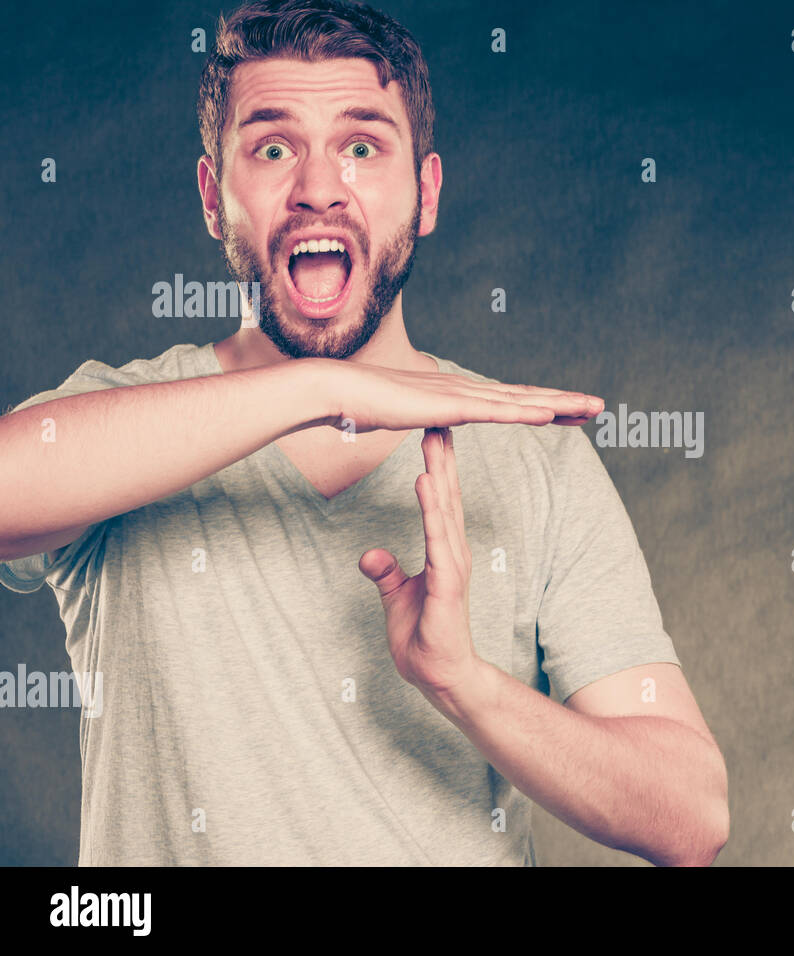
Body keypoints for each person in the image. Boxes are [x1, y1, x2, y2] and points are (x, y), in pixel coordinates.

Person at [0, 0, 727, 866]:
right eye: (272, 147)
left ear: (425, 194)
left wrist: (468, 687)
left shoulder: (537, 457)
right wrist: (318, 387)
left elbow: (690, 815)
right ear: (211, 197)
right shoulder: (124, 421)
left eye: (361, 146)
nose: (316, 186)